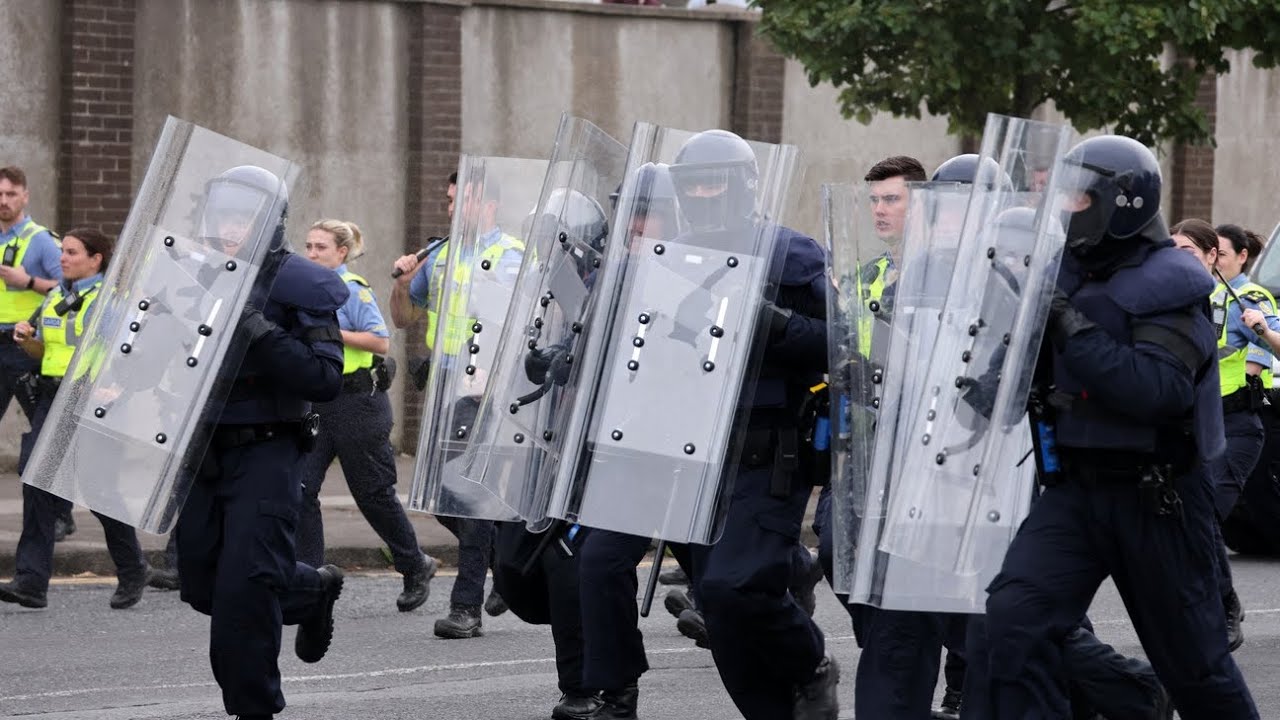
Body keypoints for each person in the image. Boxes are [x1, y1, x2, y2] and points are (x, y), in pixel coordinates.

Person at [973, 135, 1258, 718]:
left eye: (1079, 198)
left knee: (1197, 670)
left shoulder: (1171, 282)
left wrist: (1067, 324)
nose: (1064, 208)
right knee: (1014, 621)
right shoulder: (1063, 273)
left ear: (1122, 203)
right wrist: (987, 376)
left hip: (1158, 498)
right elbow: (1008, 381)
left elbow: (1155, 390)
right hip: (1074, 490)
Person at [658, 129, 836, 720]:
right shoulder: (671, 258)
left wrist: (776, 323)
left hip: (770, 452)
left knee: (734, 586)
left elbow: (843, 343)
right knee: (722, 613)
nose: (703, 195)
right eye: (693, 186)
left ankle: (811, 662)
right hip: (692, 453)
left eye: (714, 184)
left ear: (743, 186)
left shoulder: (792, 254)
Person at [173, 165, 350, 720]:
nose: (230, 228)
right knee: (202, 582)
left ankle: (255, 710)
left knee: (246, 589)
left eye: (243, 217)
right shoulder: (195, 275)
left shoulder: (303, 284)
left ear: (269, 221)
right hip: (202, 449)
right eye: (222, 215)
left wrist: (256, 327)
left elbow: (324, 378)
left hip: (270, 448)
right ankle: (313, 590)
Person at [391, 171, 519, 637]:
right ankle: (506, 564)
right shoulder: (439, 255)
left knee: (467, 492)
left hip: (485, 387)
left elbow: (527, 322)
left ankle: (466, 608)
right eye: (448, 200)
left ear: (487, 204)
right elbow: (404, 319)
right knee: (439, 496)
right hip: (445, 383)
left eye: (457, 200)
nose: (449, 209)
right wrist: (403, 283)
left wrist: (495, 370)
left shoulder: (512, 255)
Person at [0, 228, 152, 610]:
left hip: (87, 398)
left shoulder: (109, 302)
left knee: (98, 491)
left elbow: (133, 353)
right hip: (52, 397)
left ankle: (133, 568)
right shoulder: (56, 295)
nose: (63, 258)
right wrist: (27, 338)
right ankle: (31, 582)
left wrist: (116, 389)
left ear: (96, 259)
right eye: (63, 251)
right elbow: (44, 351)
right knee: (36, 481)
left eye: (71, 252)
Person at [294, 219, 437, 611]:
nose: (312, 254)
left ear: (342, 252)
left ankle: (414, 564)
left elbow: (380, 341)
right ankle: (310, 576)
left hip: (358, 403)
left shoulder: (352, 290)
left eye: (321, 247)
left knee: (372, 494)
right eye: (308, 246)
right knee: (301, 488)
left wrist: (333, 335)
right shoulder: (303, 290)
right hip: (318, 404)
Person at [1172, 218, 1280, 651]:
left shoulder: (1249, 298)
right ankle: (1196, 610)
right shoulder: (1188, 297)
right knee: (1183, 520)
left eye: (1191, 251)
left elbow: (1270, 347)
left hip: (1236, 426)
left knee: (1206, 514)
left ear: (1226, 256)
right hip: (1194, 426)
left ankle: (1223, 604)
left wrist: (1262, 331)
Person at [0, 166, 70, 540]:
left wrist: (27, 281)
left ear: (25, 196)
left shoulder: (40, 240)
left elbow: (69, 288)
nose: (4, 200)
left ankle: (61, 514)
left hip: (25, 348)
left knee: (46, 432)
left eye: (11, 193)